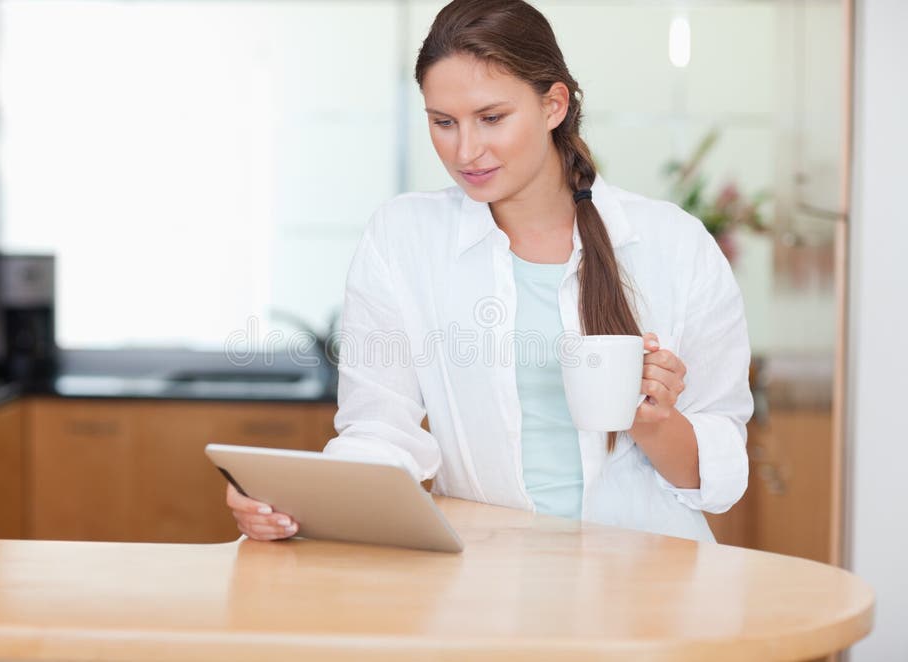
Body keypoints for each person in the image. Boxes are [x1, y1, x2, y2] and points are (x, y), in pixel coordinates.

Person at [227, 0, 753, 543]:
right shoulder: (403, 238)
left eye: (492, 118)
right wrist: (292, 499)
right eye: (443, 122)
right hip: (485, 579)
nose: (466, 150)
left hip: (650, 578)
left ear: (553, 106)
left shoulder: (674, 243)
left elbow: (719, 478)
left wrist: (653, 420)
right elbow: (381, 432)